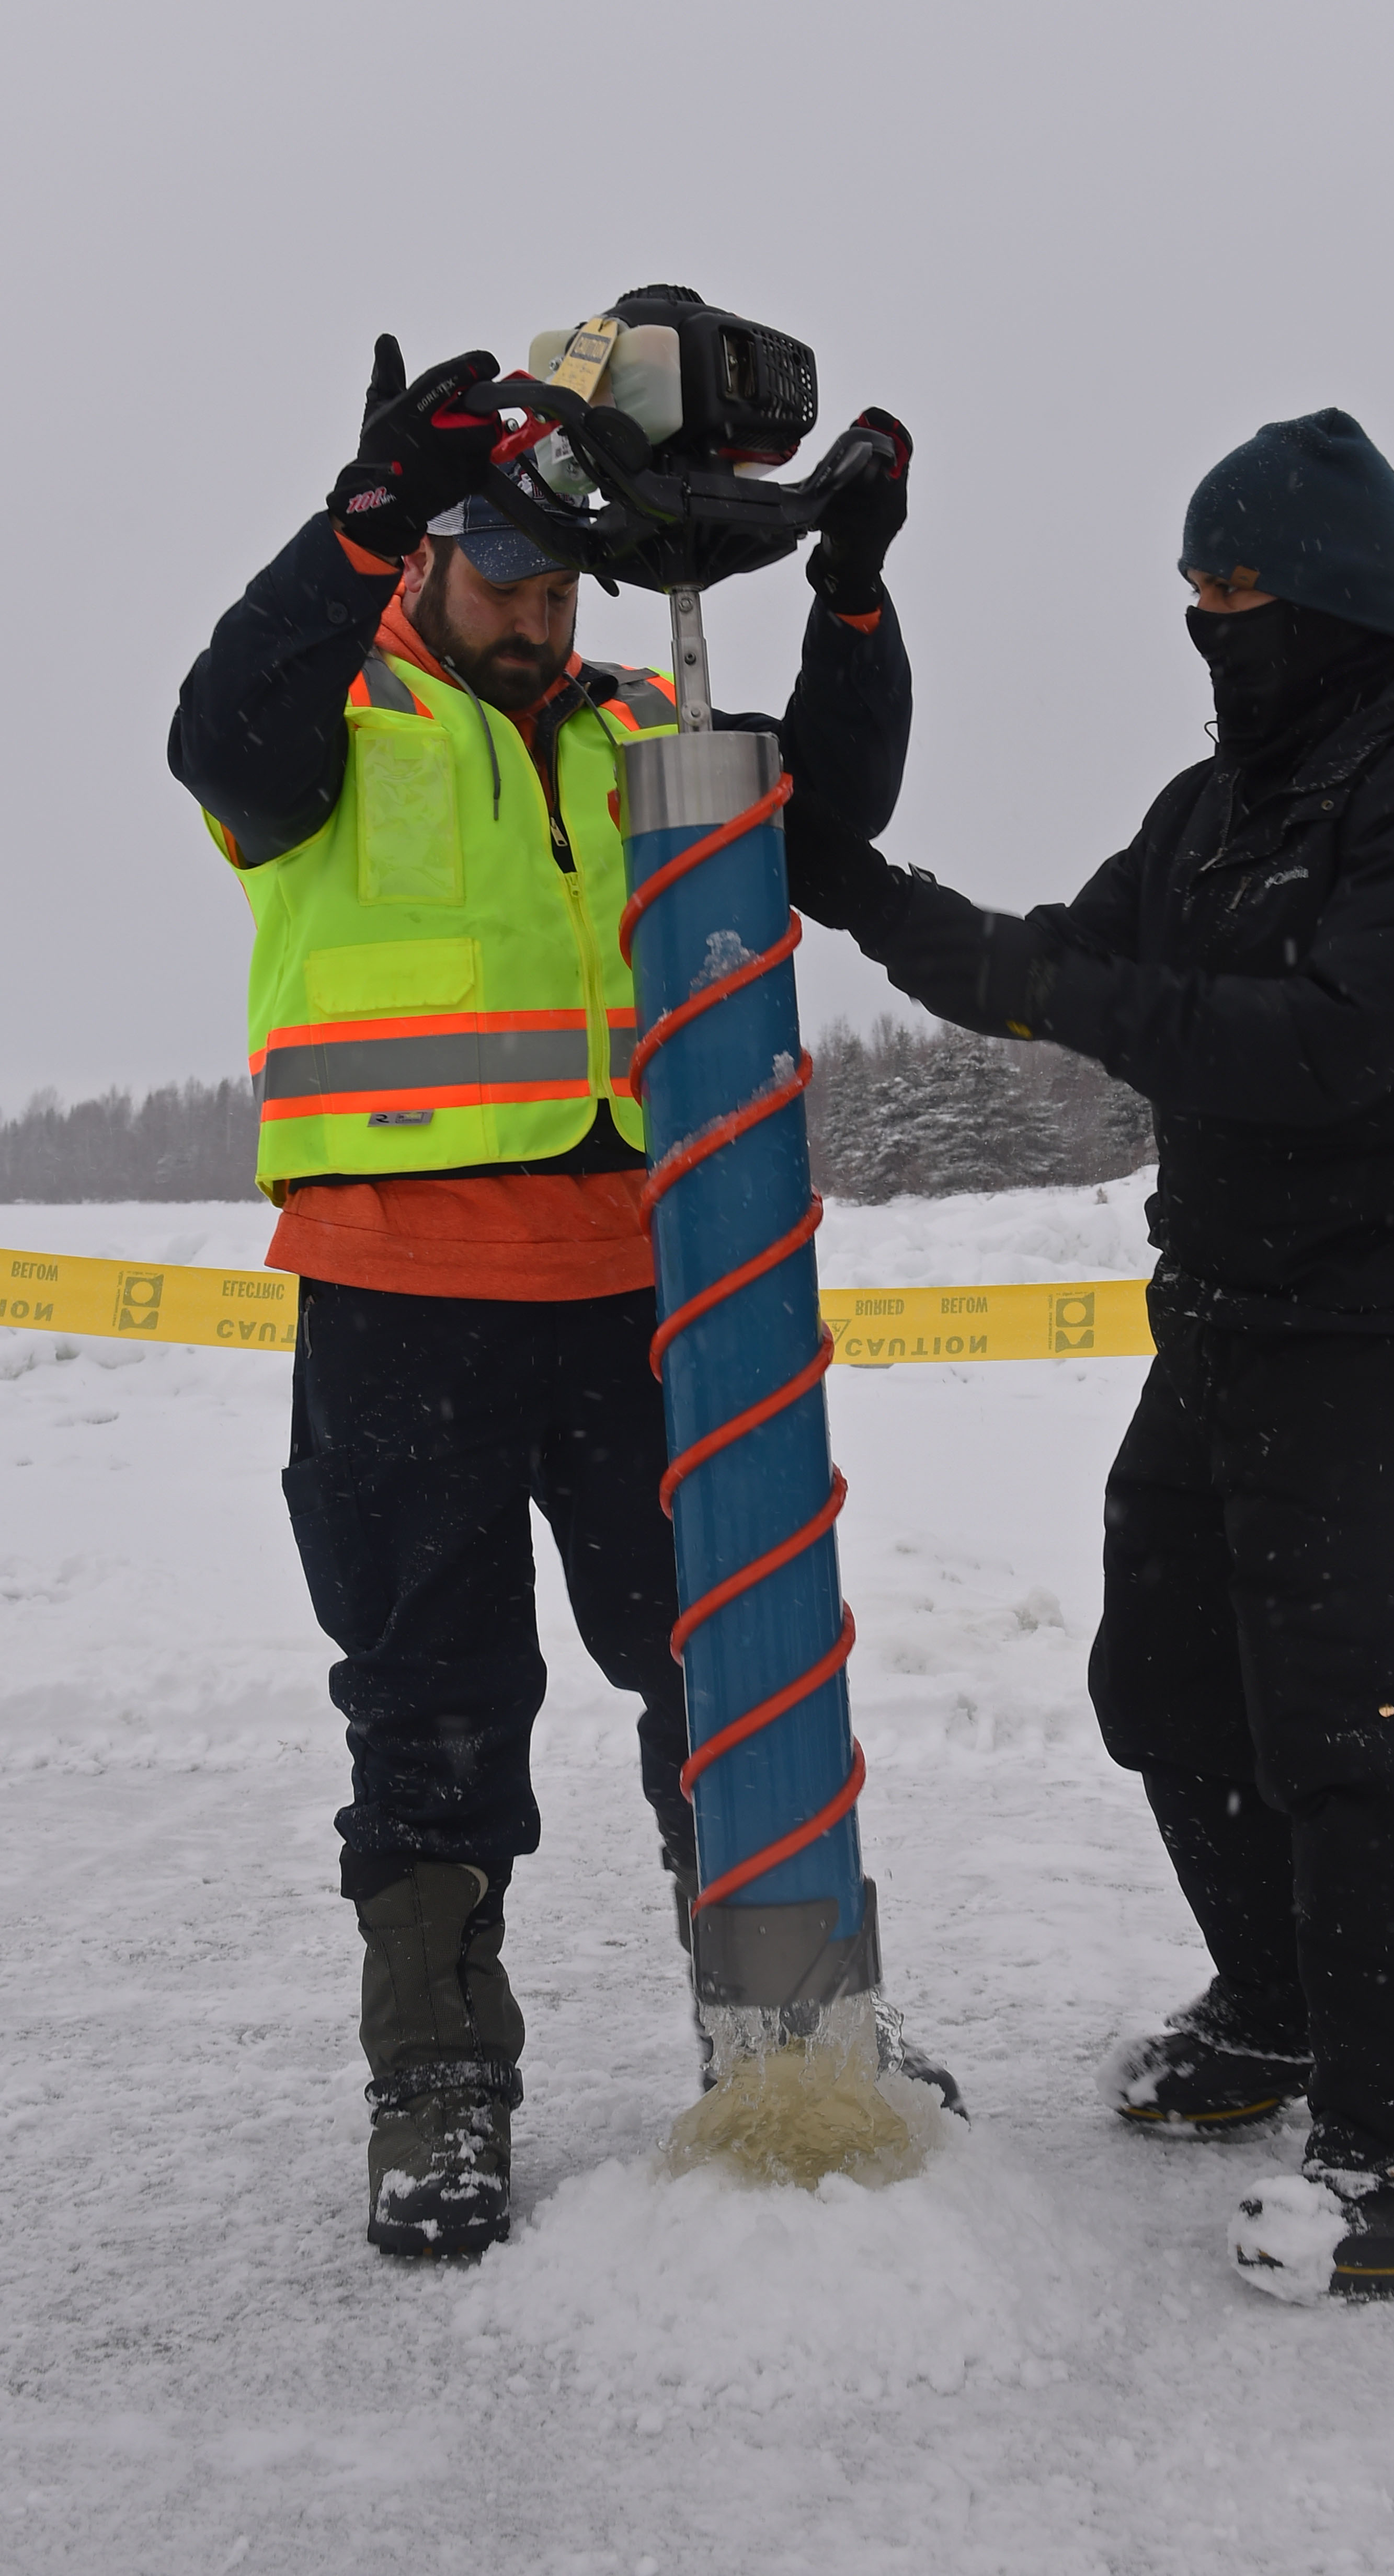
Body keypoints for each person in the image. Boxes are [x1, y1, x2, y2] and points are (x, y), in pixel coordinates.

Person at [168, 326, 926, 2256]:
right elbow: (217, 735)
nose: (535, 614)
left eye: (559, 583)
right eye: (500, 574)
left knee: (722, 1669)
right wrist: (364, 512)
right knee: (432, 1706)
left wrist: (851, 596)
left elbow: (832, 824)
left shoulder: (636, 724)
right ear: (429, 561)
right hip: (400, 1299)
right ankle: (438, 2087)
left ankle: (794, 2036)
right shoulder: (333, 720)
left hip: (636, 1298)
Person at [783, 408, 1394, 2302]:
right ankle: (1279, 2007)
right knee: (1171, 1685)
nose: (1207, 620)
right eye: (1193, 585)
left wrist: (1061, 983)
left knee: (1361, 1729)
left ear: (1332, 601)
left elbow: (1323, 1047)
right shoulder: (1210, 810)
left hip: (1393, 1330)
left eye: (1238, 587)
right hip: (1220, 1316)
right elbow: (1067, 961)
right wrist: (866, 895)